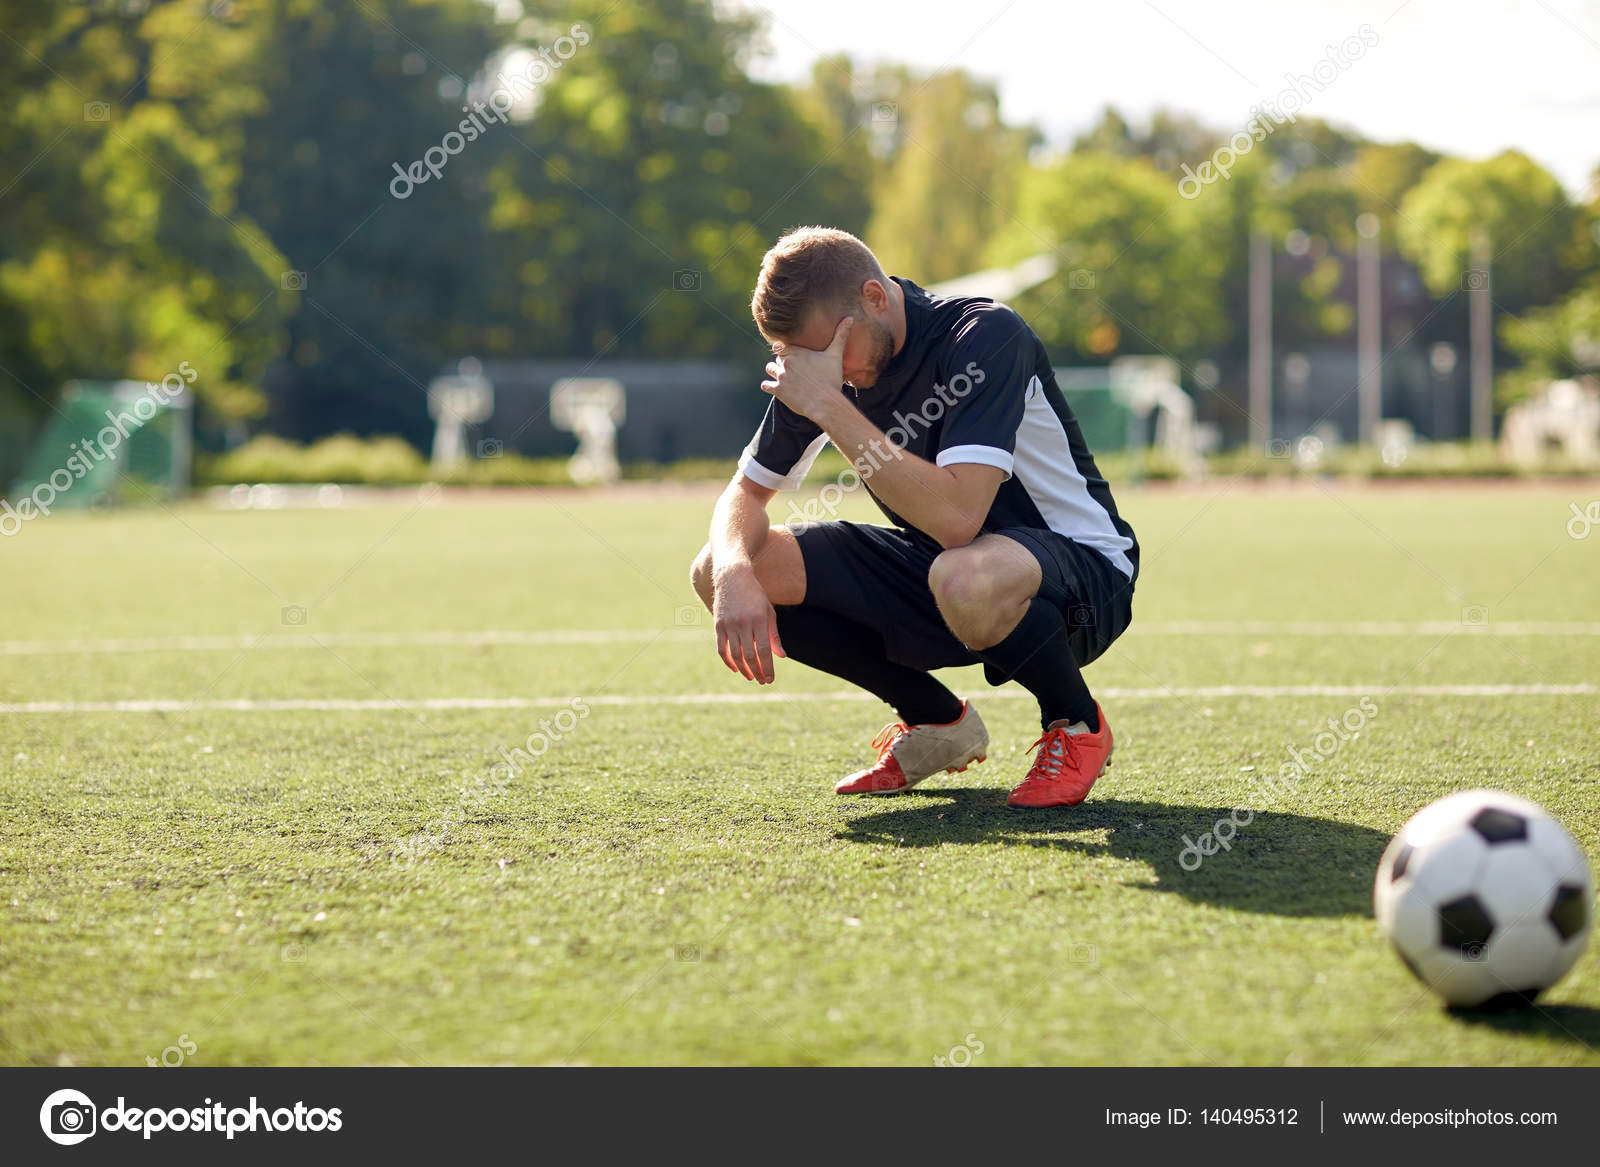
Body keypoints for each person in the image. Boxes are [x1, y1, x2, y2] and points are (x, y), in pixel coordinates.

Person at [689, 227, 1137, 807]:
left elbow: (958, 518)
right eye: (803, 360)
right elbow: (743, 496)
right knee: (723, 564)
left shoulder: (984, 336)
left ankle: (1077, 724)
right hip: (947, 571)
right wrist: (731, 574)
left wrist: (827, 404)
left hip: (1082, 576)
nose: (833, 374)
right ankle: (935, 723)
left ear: (874, 298)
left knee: (964, 574)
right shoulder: (827, 362)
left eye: (831, 354)